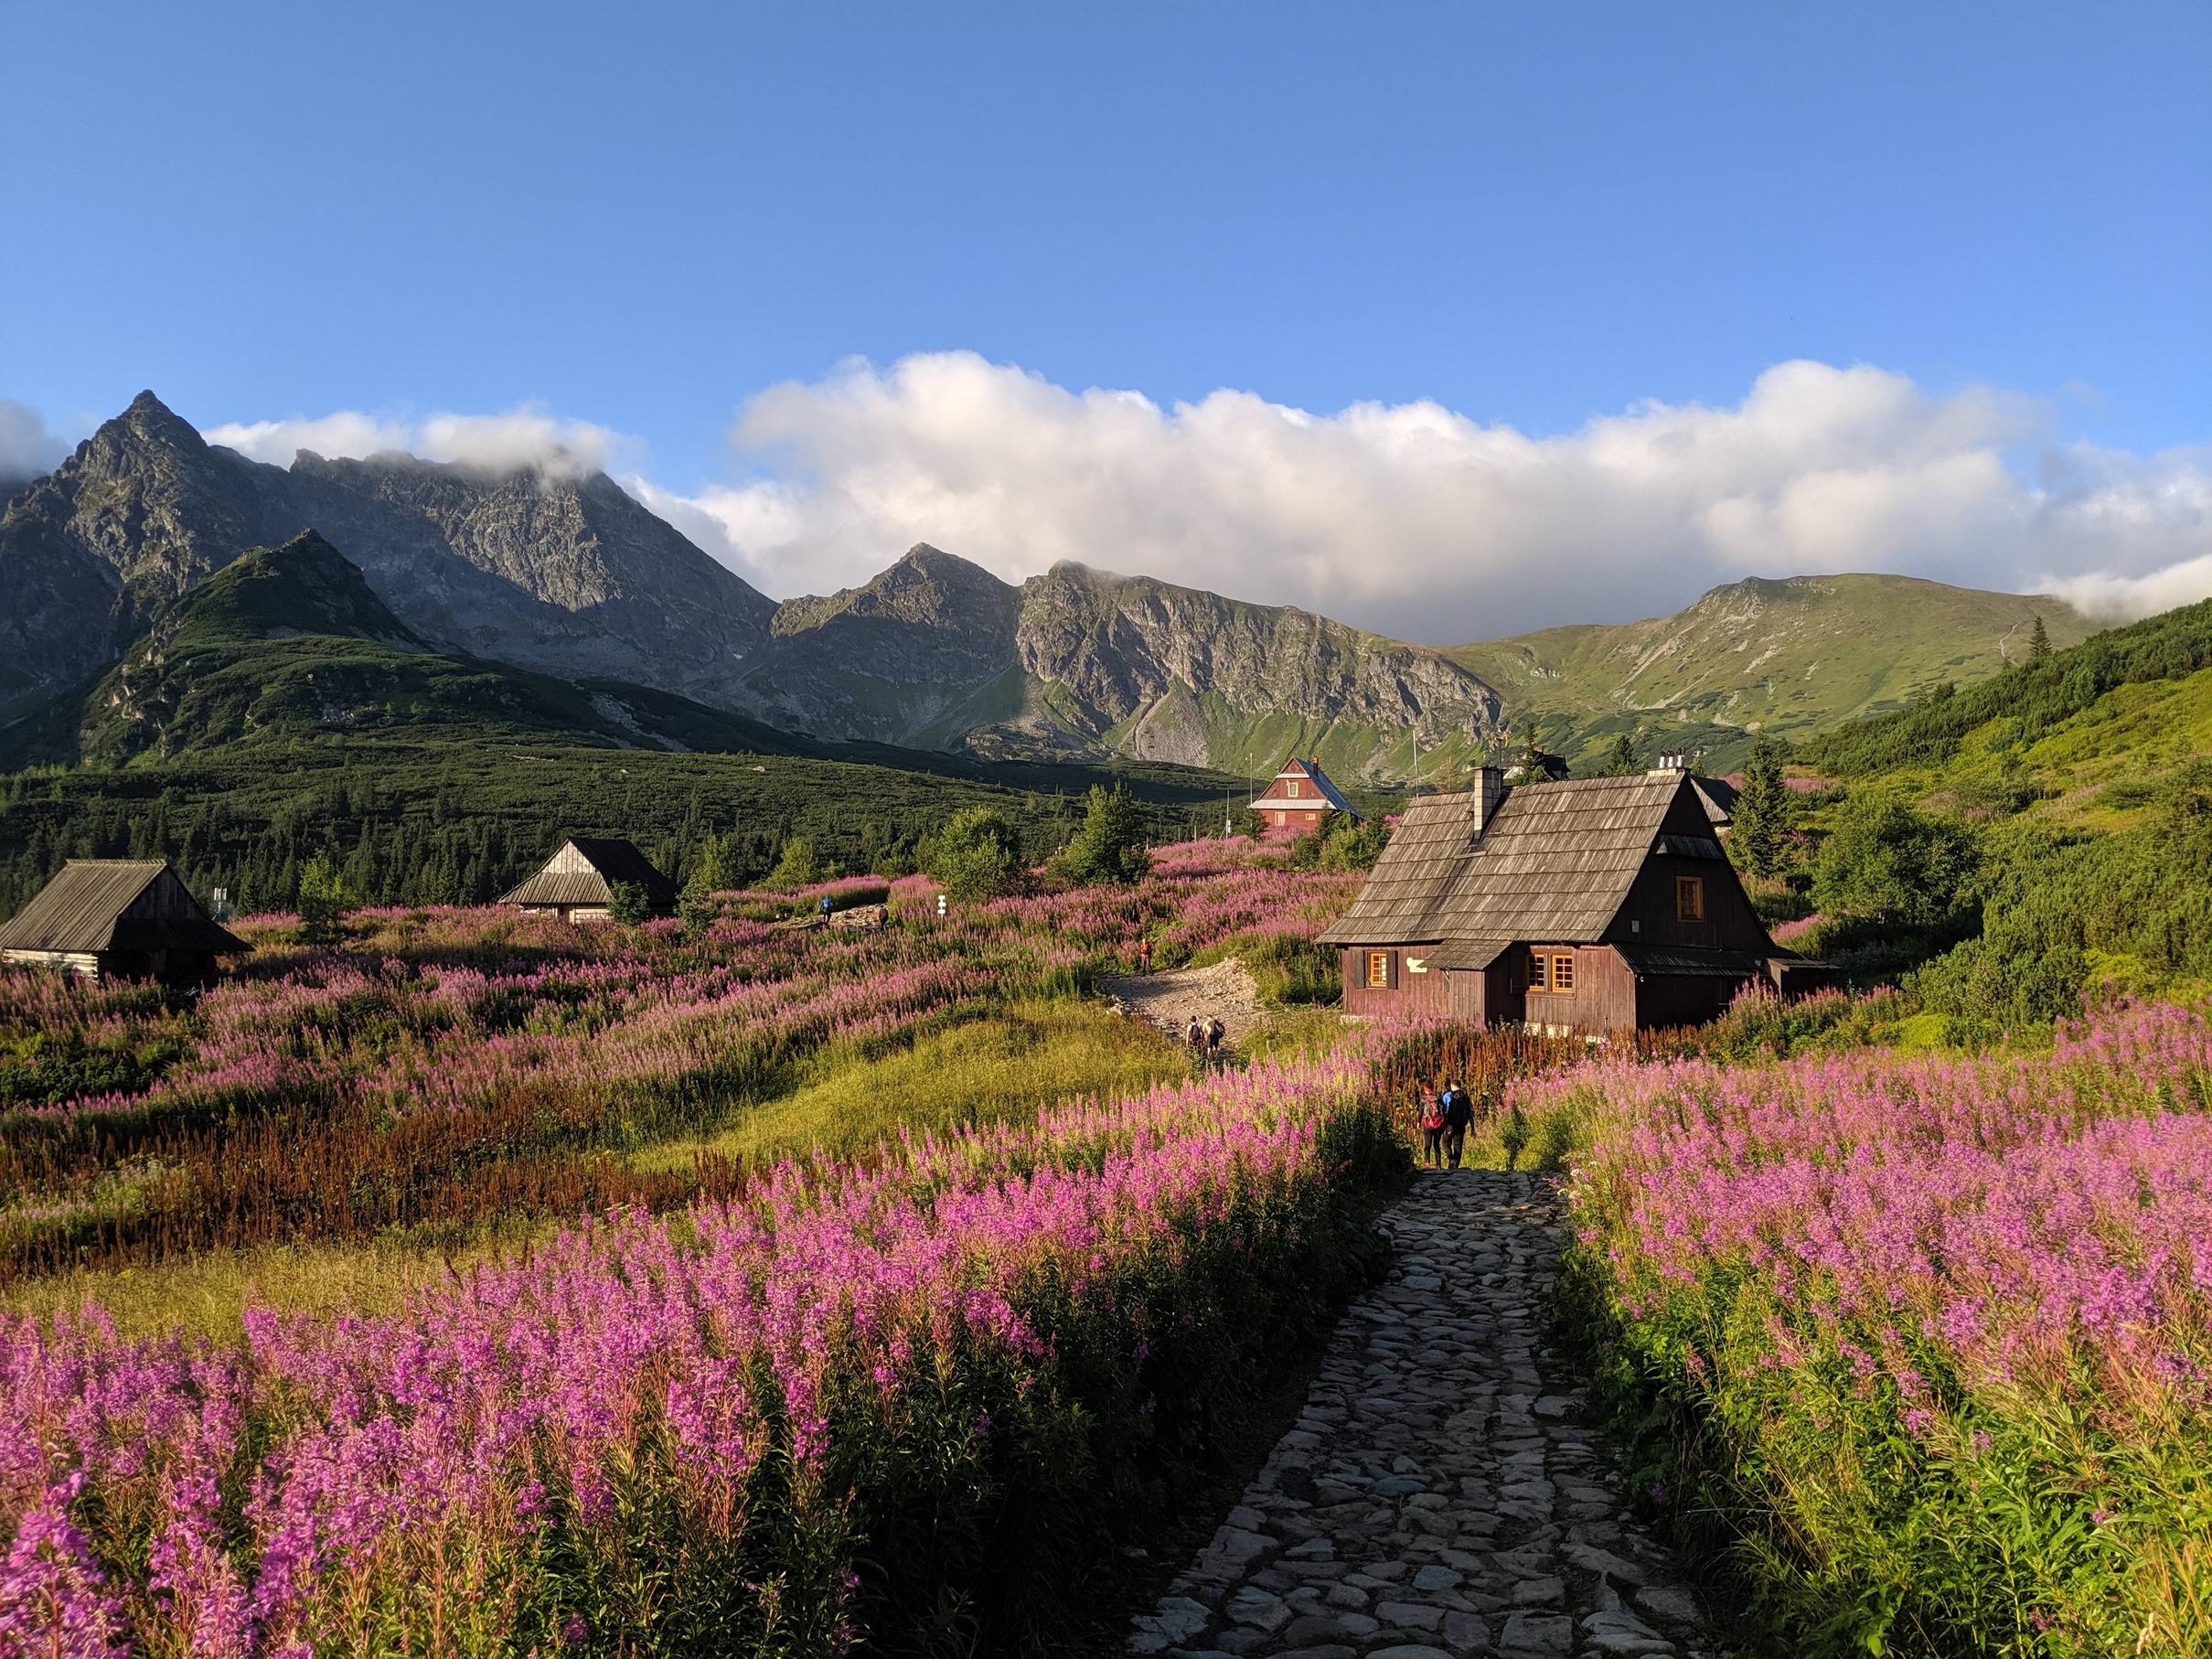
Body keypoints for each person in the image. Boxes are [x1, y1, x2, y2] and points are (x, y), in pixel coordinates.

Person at [1441, 1078, 1475, 1170]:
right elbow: (1470, 1114)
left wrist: (1444, 1124)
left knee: (1445, 1143)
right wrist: (1473, 1128)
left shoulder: (1448, 1095)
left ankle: (1451, 1158)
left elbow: (1443, 1110)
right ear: (1460, 1086)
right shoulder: (1466, 1097)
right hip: (1461, 1126)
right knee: (1458, 1146)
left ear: (1452, 1086)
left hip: (1450, 1125)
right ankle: (1454, 1165)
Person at [1418, 1079, 1448, 1168]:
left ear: (1426, 1089)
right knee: (1436, 1145)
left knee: (1427, 1145)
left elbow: (1420, 1112)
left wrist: (1419, 1122)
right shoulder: (1438, 1098)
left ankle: (1427, 1162)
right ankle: (1438, 1164)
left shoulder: (1423, 1099)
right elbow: (1444, 1111)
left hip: (1427, 1124)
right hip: (1438, 1124)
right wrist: (1445, 1123)